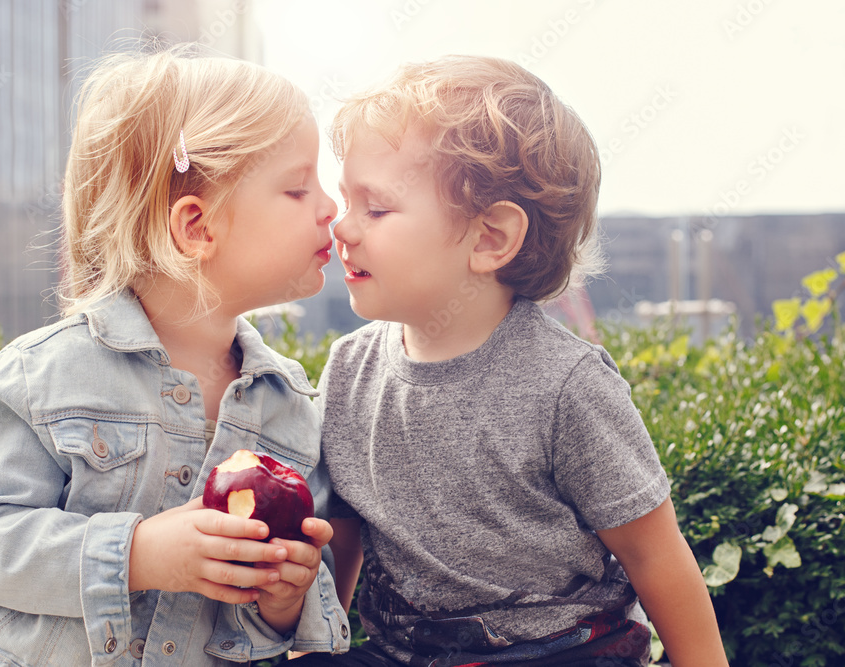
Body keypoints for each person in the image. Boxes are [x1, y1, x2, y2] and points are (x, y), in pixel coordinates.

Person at [0, 45, 350, 666]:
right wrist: (139, 553)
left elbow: (280, 617)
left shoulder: (291, 410)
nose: (331, 208)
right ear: (196, 227)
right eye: (298, 188)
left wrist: (284, 595)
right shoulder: (48, 373)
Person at [294, 56, 728, 667]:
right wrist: (317, 644)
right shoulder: (348, 369)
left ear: (490, 238)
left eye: (376, 208)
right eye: (346, 200)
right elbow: (344, 535)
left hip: (560, 651)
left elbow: (653, 552)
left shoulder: (565, 384)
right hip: (405, 654)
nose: (342, 226)